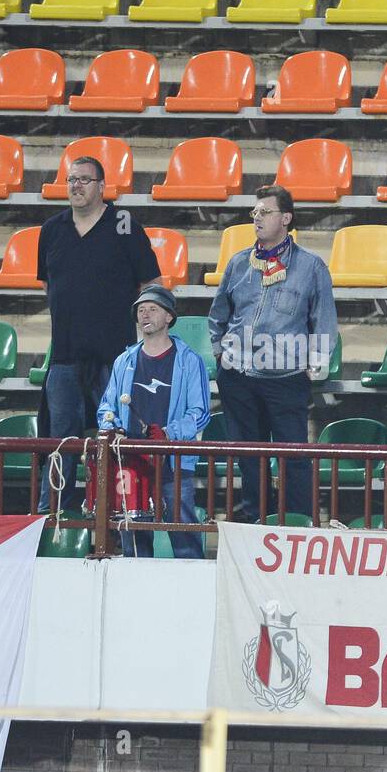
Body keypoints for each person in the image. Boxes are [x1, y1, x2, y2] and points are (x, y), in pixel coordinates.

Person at [37, 155, 162, 513]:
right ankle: (51, 521)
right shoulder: (52, 229)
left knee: (118, 442)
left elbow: (151, 283)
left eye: (84, 180)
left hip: (114, 358)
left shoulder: (124, 225)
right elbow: (49, 285)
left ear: (102, 186)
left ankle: (122, 522)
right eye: (71, 180)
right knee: (60, 446)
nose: (76, 186)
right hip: (64, 357)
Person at [208, 184, 338, 523]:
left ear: (286, 218)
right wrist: (220, 353)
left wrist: (315, 365)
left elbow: (323, 320)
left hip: (286, 377)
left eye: (265, 212)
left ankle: (299, 526)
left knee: (293, 456)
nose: (257, 218)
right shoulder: (238, 263)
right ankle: (256, 524)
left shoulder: (311, 266)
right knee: (249, 457)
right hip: (238, 377)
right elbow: (218, 313)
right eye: (255, 212)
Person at [97, 285, 211, 558]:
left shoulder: (189, 361)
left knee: (182, 531)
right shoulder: (124, 360)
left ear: (169, 317)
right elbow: (106, 409)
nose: (145, 314)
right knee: (133, 538)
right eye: (140, 310)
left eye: (153, 309)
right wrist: (114, 431)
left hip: (172, 460)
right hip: (132, 462)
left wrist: (168, 434)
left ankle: (193, 585)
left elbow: (200, 412)